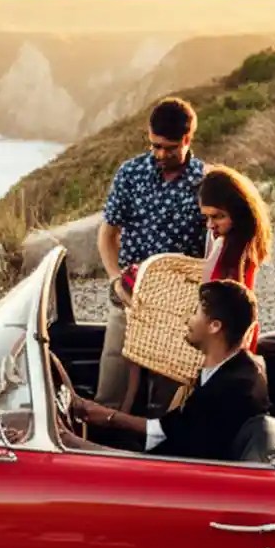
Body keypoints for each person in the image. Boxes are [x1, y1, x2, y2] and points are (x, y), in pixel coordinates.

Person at [61, 280, 269, 462]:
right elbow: (172, 427)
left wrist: (79, 440)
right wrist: (107, 416)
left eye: (196, 312)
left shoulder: (230, 389)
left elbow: (176, 445)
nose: (187, 319)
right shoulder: (235, 369)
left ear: (214, 326)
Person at [95, 97, 209, 412]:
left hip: (178, 306)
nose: (159, 154)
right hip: (130, 294)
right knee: (111, 389)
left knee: (166, 398)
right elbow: (107, 234)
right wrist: (116, 281)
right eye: (154, 145)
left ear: (187, 139)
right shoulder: (129, 174)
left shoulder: (205, 182)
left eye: (168, 148)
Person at [197, 165, 273, 351]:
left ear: (238, 212)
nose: (210, 225)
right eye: (206, 217)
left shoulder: (239, 248)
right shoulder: (225, 239)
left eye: (218, 217)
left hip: (229, 341)